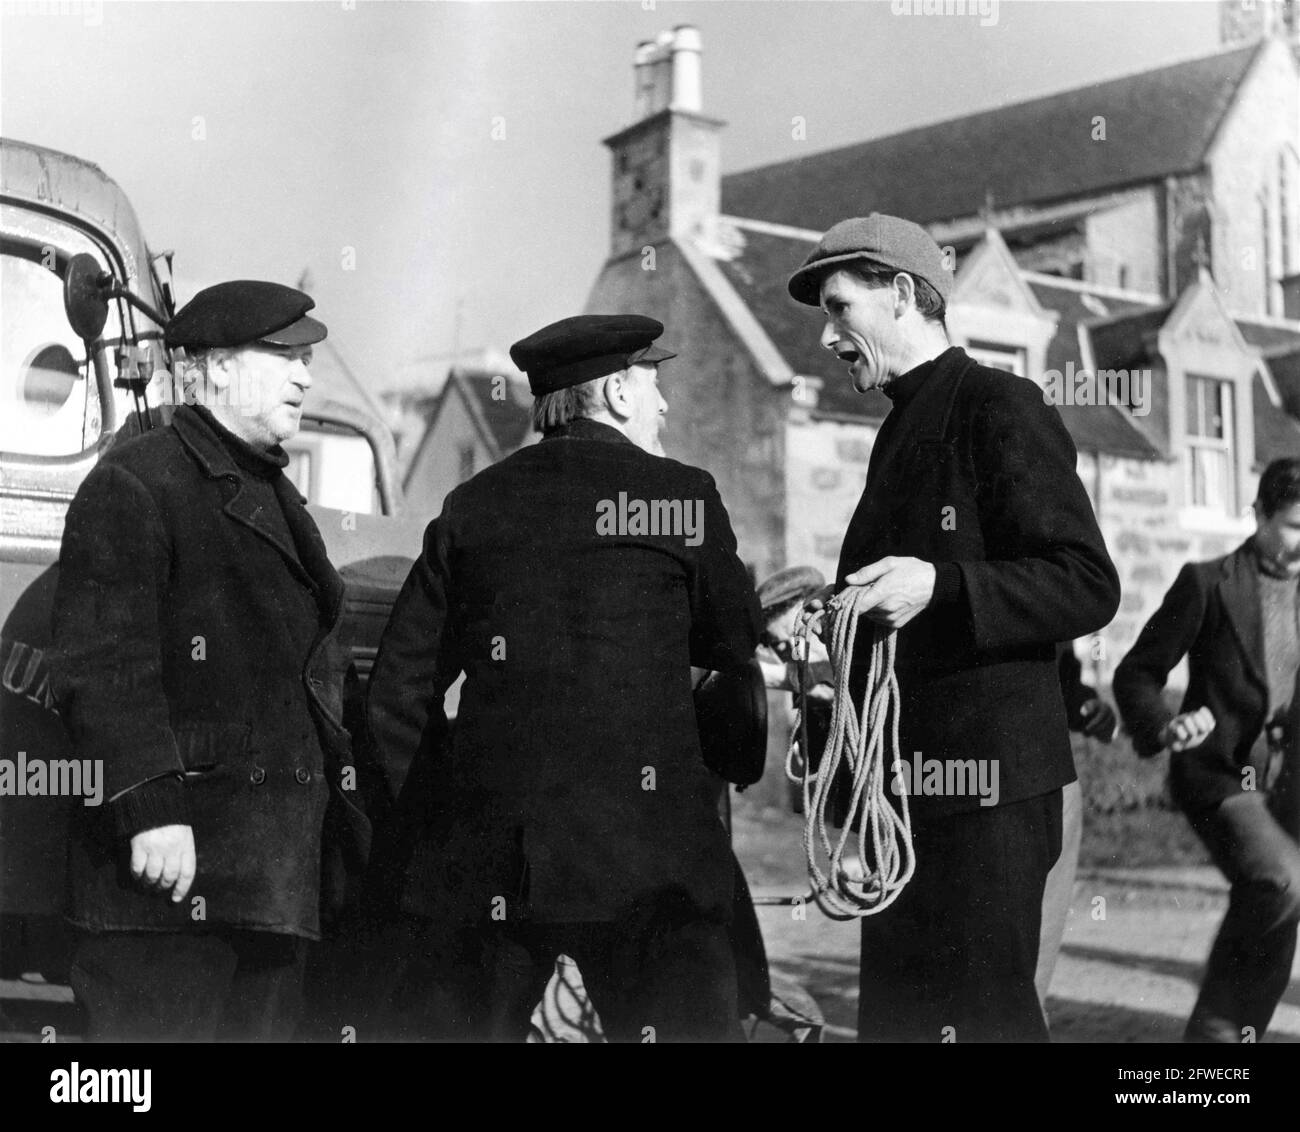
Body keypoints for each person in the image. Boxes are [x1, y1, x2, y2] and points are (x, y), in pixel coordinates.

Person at [366, 314, 761, 1042]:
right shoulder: (680, 498)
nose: (665, 404)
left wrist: (447, 816)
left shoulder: (472, 506)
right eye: (653, 383)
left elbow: (395, 693)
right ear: (614, 393)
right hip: (654, 869)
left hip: (494, 871)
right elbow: (733, 650)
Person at [788, 214, 1121, 1042]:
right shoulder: (898, 426)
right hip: (912, 798)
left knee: (984, 1023)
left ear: (903, 293)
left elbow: (1086, 582)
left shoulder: (999, 404)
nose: (829, 338)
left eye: (839, 309)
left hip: (993, 792)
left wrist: (939, 585)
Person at [48, 281, 364, 1041]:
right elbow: (101, 662)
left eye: (307, 358)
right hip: (171, 890)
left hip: (266, 888)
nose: (305, 376)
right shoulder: (138, 480)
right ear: (215, 370)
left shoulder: (272, 492)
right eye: (284, 355)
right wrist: (152, 808)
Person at [1113, 457, 1300, 1043]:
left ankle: (1233, 1039)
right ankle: (1216, 1040)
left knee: (1279, 898)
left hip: (1291, 780)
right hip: (1221, 776)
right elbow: (1136, 674)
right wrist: (1167, 725)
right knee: (1279, 879)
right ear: (1259, 514)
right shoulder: (1207, 582)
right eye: (1295, 525)